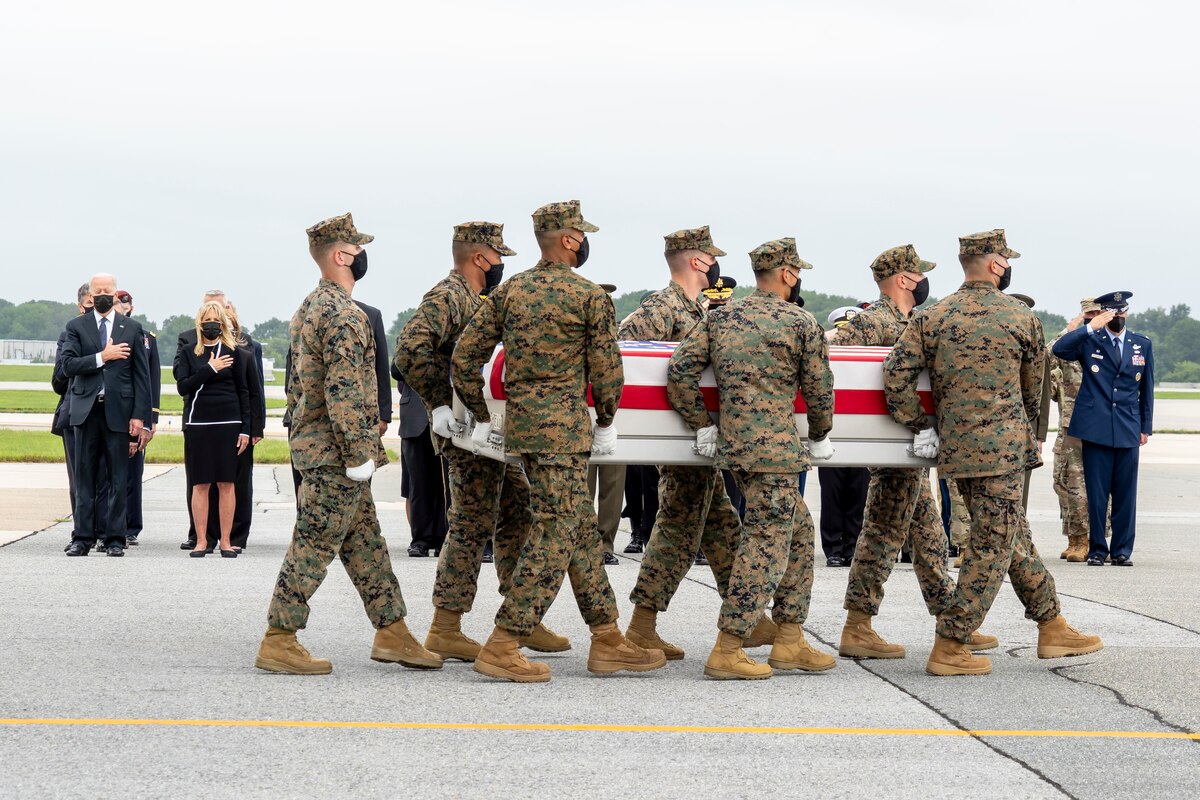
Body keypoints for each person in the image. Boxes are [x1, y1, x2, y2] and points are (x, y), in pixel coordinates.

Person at [453, 199, 665, 682]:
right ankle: (505, 641)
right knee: (556, 530)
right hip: (566, 431)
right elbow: (608, 370)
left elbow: (467, 357)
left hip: (525, 429)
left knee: (578, 529)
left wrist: (483, 416)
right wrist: (607, 420)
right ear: (570, 239)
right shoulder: (589, 295)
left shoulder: (511, 292)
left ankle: (608, 637)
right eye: (582, 234)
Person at [884, 229, 1101, 676]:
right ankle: (951, 641)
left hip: (956, 453)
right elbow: (1031, 391)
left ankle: (1051, 623)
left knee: (1010, 536)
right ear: (999, 265)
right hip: (1003, 451)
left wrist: (922, 425)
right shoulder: (1019, 317)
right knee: (993, 545)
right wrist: (1020, 432)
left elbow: (896, 376)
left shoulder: (933, 317)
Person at [256, 212, 440, 675]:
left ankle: (392, 631)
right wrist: (359, 453)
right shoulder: (343, 314)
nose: (363, 257)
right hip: (337, 454)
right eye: (358, 249)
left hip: (318, 446)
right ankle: (279, 637)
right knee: (314, 544)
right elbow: (344, 391)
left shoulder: (308, 308)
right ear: (342, 255)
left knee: (366, 545)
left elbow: (296, 388)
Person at [394, 220, 567, 662]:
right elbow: (410, 349)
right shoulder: (449, 294)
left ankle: (520, 618)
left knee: (518, 512)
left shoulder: (474, 298)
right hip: (467, 434)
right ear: (479, 257)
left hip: (486, 431)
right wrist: (438, 403)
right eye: (498, 258)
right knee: (471, 524)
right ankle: (445, 626)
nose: (501, 266)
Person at [668, 237, 837, 680]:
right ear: (787, 274)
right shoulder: (799, 322)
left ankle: (789, 639)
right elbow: (820, 390)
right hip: (777, 452)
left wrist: (702, 423)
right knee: (764, 546)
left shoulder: (721, 317)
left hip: (735, 450)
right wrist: (820, 435)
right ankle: (728, 646)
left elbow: (680, 369)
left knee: (799, 535)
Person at [831, 245, 997, 660]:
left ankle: (949, 621)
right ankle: (858, 626)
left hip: (912, 453)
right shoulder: (873, 321)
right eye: (920, 274)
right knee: (881, 535)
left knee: (930, 540)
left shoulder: (913, 321)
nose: (925, 281)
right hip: (893, 452)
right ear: (905, 279)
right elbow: (829, 349)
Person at [619, 226, 757, 661]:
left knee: (722, 528)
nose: (715, 265)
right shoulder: (662, 307)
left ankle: (749, 620)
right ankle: (642, 627)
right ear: (699, 261)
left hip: (694, 444)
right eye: (711, 258)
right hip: (679, 442)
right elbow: (626, 355)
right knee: (678, 531)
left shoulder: (695, 308)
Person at [1051, 290, 1153, 567]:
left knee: (1125, 493)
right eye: (1112, 312)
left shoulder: (1140, 344)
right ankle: (1097, 548)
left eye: (1121, 312)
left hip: (1128, 427)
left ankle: (1121, 550)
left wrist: (1146, 427)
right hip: (1094, 427)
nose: (1117, 317)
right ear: (1104, 314)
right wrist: (1087, 327)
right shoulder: (1089, 341)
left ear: (1127, 313)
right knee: (1096, 493)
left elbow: (1147, 389)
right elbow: (1059, 350)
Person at [60, 273, 151, 557]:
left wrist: (140, 416)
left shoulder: (132, 328)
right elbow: (68, 365)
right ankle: (82, 537)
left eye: (107, 290)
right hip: (86, 412)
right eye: (97, 290)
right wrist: (104, 356)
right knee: (84, 477)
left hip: (118, 413)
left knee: (117, 478)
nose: (102, 294)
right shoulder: (76, 326)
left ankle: (115, 539)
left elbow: (141, 377)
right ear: (90, 293)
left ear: (115, 295)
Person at [175, 300, 252, 557]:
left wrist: (246, 429)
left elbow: (245, 392)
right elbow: (183, 387)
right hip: (199, 424)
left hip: (229, 424)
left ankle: (227, 541)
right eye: (207, 319)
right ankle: (201, 540)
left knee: (227, 483)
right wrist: (209, 369)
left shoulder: (235, 352)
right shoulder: (189, 352)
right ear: (199, 323)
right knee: (201, 484)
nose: (211, 324)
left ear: (222, 324)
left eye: (216, 320)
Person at [1048, 297, 1101, 562]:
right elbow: (1046, 356)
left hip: (1095, 426)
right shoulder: (1071, 341)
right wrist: (1070, 330)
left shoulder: (1105, 344)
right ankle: (1073, 537)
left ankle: (1091, 540)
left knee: (1086, 487)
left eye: (1096, 313)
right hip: (1068, 426)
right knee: (1063, 483)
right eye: (1087, 313)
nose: (1092, 318)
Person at [817, 307, 870, 568]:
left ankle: (853, 546)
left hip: (860, 432)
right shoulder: (825, 353)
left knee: (859, 493)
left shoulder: (866, 356)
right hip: (833, 431)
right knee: (832, 493)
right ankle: (834, 548)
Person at [115, 290, 161, 547]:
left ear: (131, 307)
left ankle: (131, 526)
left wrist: (149, 418)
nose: (121, 307)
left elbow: (151, 380)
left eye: (125, 303)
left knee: (133, 473)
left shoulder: (146, 338)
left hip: (137, 415)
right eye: (117, 303)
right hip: (112, 412)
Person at [52, 283, 95, 526]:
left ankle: (106, 532)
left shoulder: (116, 332)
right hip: (75, 411)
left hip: (107, 412)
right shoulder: (69, 334)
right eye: (89, 304)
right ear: (80, 306)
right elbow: (58, 379)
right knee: (78, 478)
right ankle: (81, 530)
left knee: (107, 479)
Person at [396, 379, 449, 557]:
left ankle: (444, 538)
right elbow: (396, 370)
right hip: (414, 416)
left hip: (448, 414)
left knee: (447, 484)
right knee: (418, 484)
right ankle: (420, 540)